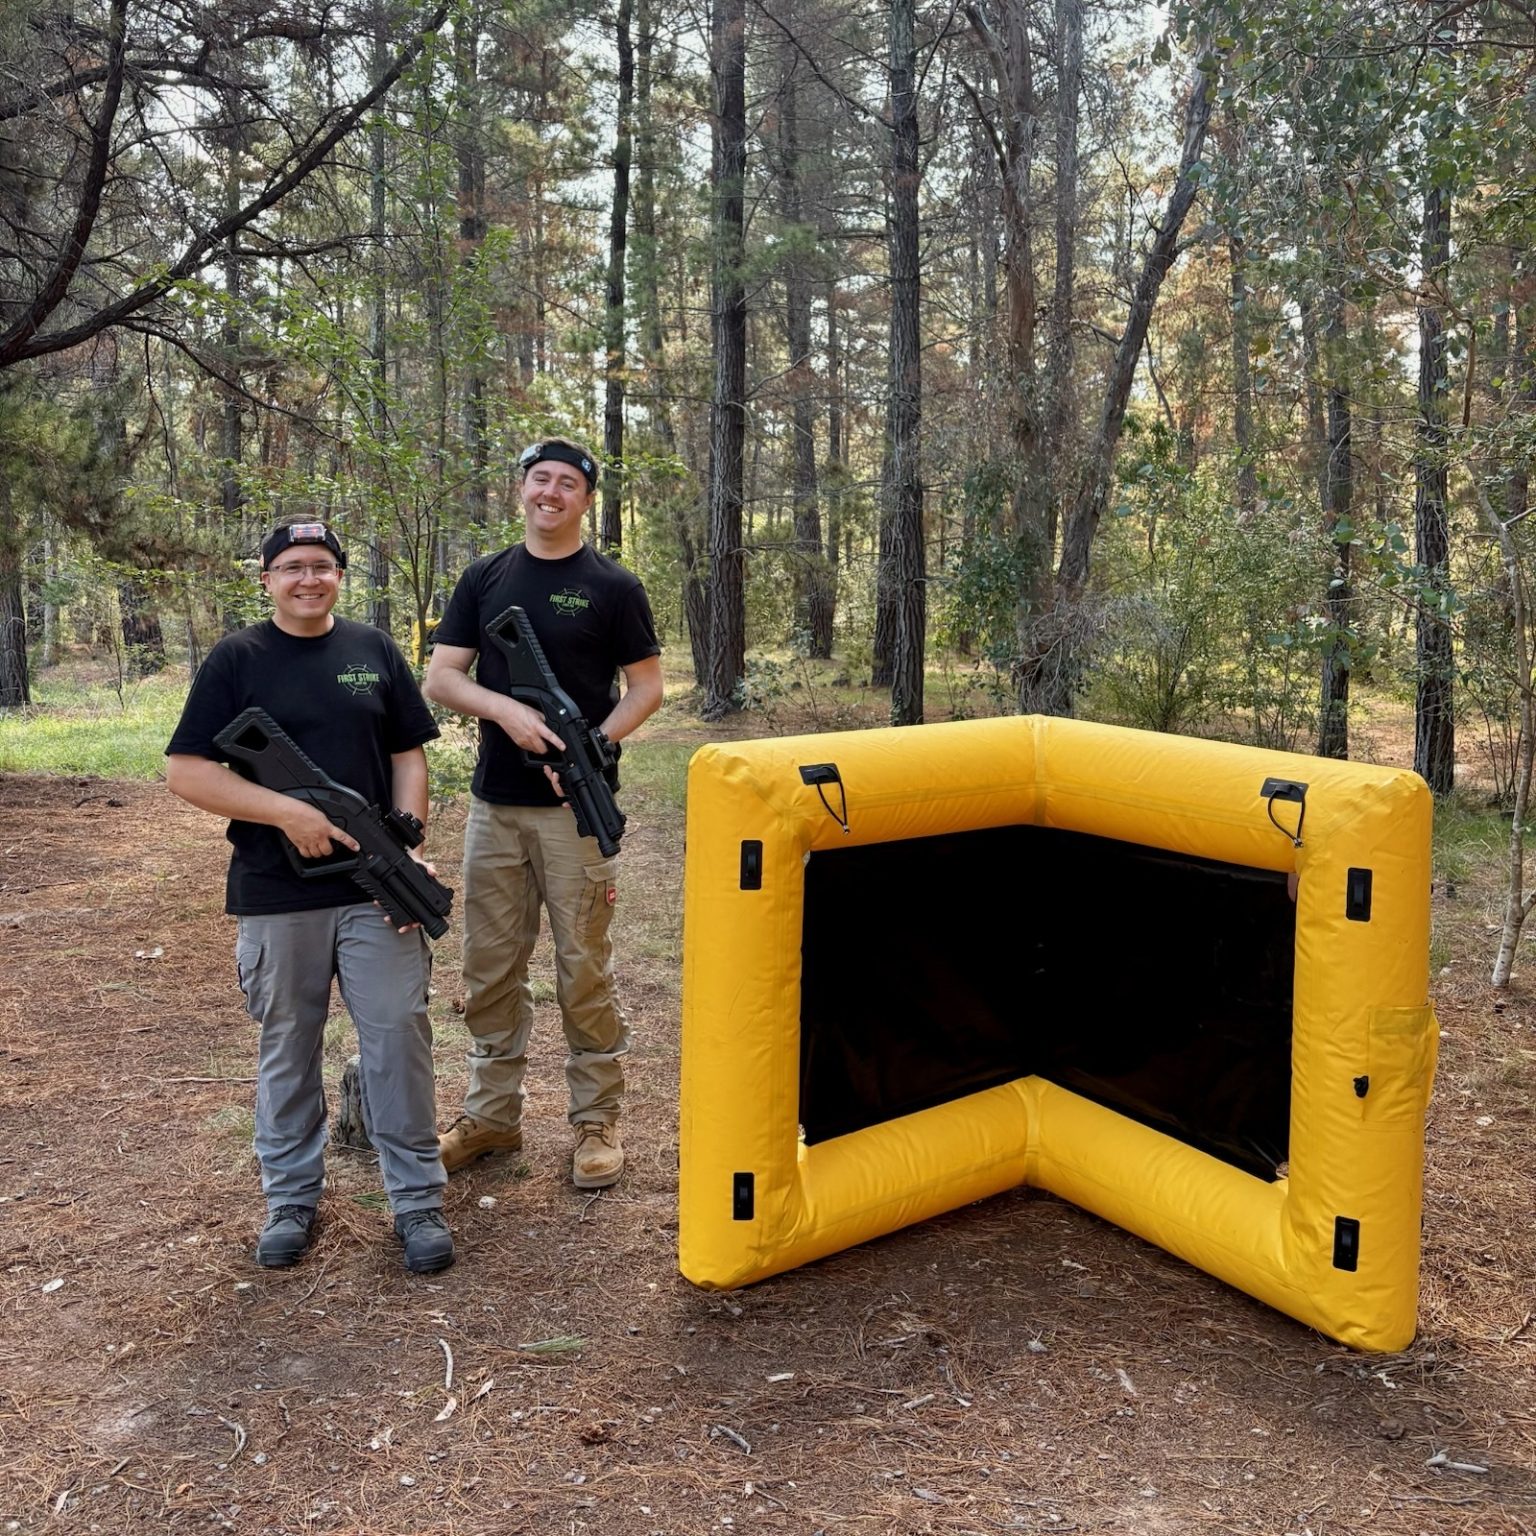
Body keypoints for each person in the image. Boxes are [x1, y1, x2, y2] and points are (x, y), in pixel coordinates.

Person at [165, 517, 454, 1274]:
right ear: (267, 579)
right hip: (275, 892)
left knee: (398, 1036)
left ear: (339, 576)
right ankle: (290, 1198)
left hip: (374, 888)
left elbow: (407, 754)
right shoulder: (237, 658)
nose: (308, 578)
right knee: (288, 1044)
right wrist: (286, 813)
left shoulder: (373, 650)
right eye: (292, 566)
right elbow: (187, 771)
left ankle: (416, 1201)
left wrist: (409, 843)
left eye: (322, 565)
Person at [424, 436, 663, 1190]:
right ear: (521, 489)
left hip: (574, 813)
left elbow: (647, 687)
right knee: (490, 967)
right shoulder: (485, 576)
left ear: (586, 500)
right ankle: (492, 1116)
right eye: (540, 479)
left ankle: (596, 1121)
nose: (550, 492)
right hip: (495, 806)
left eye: (567, 483)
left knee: (583, 967)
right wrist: (506, 712)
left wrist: (593, 746)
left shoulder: (613, 585)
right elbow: (442, 677)